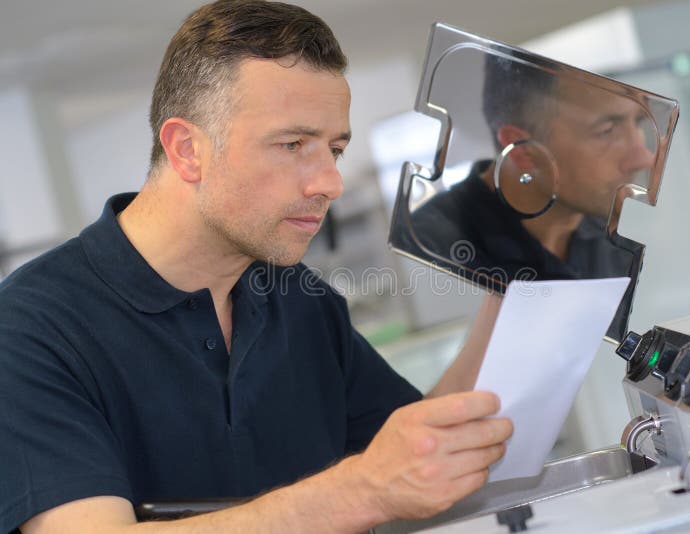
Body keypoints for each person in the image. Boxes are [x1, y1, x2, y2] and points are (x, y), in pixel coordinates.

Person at [0, 2, 513, 533]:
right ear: (187, 150)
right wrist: (358, 492)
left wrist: (512, 288)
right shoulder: (29, 329)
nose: (329, 183)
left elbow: (419, 453)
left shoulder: (299, 297)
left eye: (333, 149)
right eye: (292, 144)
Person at [392, 54, 654, 335]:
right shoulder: (426, 246)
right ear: (522, 148)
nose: (643, 158)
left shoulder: (618, 241)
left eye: (638, 122)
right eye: (606, 131)